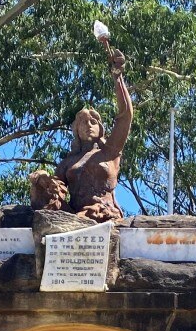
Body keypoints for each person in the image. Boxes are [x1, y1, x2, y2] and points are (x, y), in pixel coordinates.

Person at [30, 46, 132, 222]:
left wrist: (118, 77)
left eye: (93, 122)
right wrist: (42, 179)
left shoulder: (109, 152)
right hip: (74, 216)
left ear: (101, 129)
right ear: (75, 130)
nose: (89, 125)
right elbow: (55, 195)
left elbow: (125, 116)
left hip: (103, 213)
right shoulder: (67, 163)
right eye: (83, 122)